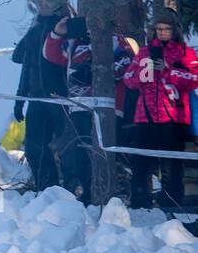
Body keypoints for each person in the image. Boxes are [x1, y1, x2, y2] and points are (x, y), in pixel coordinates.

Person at [42, 14, 137, 198]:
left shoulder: (117, 40)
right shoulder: (74, 43)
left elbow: (126, 65)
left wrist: (95, 70)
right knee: (81, 151)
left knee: (104, 150)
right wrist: (57, 33)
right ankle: (87, 190)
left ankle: (113, 190)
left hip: (108, 105)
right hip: (79, 104)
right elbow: (50, 54)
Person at [122, 9, 198, 208]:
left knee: (172, 165)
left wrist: (168, 70)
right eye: (158, 28)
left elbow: (193, 79)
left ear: (175, 30)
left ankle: (172, 204)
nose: (162, 32)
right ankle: (140, 202)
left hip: (174, 117)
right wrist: (142, 73)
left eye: (166, 28)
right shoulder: (145, 53)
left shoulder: (185, 53)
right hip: (145, 116)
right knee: (140, 162)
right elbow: (128, 80)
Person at [12, 0, 70, 189]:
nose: (43, 6)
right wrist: (19, 99)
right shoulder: (36, 27)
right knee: (34, 147)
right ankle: (45, 187)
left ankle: (72, 187)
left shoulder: (64, 26)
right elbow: (20, 59)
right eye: (39, 2)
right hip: (36, 96)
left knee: (66, 146)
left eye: (47, 2)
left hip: (59, 95)